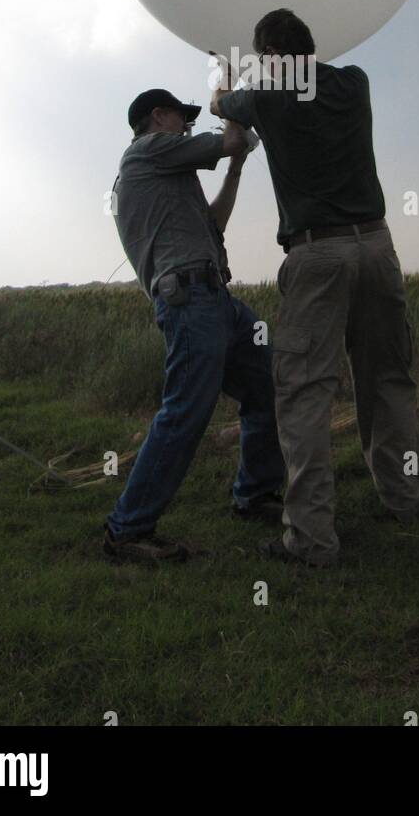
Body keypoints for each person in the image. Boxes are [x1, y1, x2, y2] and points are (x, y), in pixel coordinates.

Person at [211, 9, 419, 568]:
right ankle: (405, 499)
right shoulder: (355, 85)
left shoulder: (263, 99)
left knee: (305, 393)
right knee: (388, 378)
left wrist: (229, 75)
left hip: (317, 252)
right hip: (378, 246)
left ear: (269, 58)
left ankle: (310, 538)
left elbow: (222, 107)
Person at [103, 87, 285, 564]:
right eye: (179, 118)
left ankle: (255, 493)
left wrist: (238, 167)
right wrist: (229, 107)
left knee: (266, 380)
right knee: (186, 410)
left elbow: (214, 224)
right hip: (190, 301)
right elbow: (224, 140)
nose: (185, 126)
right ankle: (129, 529)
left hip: (214, 298)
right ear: (156, 116)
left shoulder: (170, 174)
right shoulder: (147, 152)